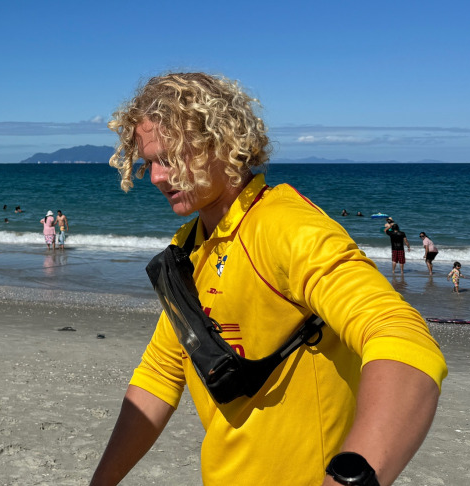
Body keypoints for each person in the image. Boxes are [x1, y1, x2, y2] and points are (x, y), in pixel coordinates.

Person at [91, 72, 445, 486]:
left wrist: (351, 478)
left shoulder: (283, 225)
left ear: (222, 142)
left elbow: (403, 338)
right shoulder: (188, 246)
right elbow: (160, 374)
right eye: (149, 162)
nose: (155, 177)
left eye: (170, 158)